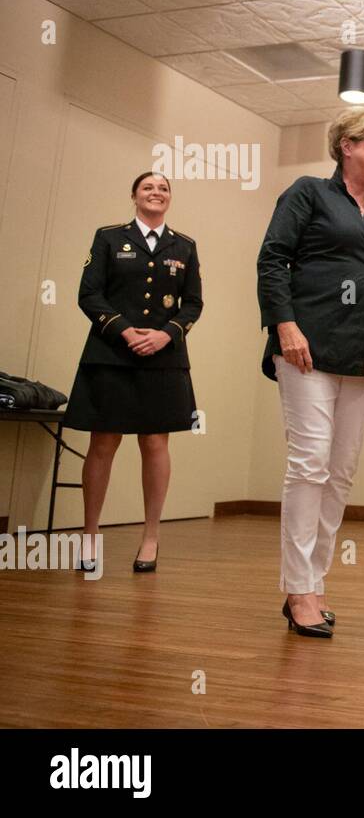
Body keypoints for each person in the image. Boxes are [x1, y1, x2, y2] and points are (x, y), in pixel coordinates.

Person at [257, 108, 364, 638]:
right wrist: (285, 325)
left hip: (362, 355)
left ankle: (314, 581)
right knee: (309, 465)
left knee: (341, 471)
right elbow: (272, 260)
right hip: (306, 350)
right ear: (345, 146)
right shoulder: (308, 193)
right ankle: (298, 588)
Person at [66, 171, 202, 575]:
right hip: (111, 354)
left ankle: (150, 538)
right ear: (134, 196)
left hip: (162, 357)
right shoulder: (108, 237)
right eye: (148, 187)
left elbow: (193, 304)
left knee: (155, 444)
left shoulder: (186, 246)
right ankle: (90, 537)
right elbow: (89, 293)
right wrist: (124, 330)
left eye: (163, 188)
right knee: (103, 444)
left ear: (169, 198)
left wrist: (165, 336)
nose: (156, 193)